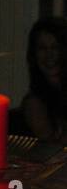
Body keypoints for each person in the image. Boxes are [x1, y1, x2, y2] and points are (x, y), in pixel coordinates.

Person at [21, 16, 67, 144]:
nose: (49, 55)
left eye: (55, 47)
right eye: (42, 48)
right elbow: (52, 149)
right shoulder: (34, 104)